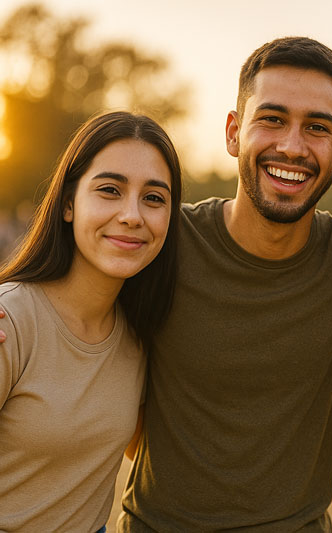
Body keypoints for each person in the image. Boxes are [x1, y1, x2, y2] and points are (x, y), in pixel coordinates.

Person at [112, 37, 332, 532]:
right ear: (233, 132)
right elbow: (66, 294)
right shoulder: (163, 242)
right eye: (272, 119)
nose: (292, 146)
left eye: (317, 127)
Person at [0, 111, 182, 532]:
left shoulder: (139, 335)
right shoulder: (13, 322)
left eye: (154, 198)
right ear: (68, 204)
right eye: (109, 190)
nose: (132, 215)